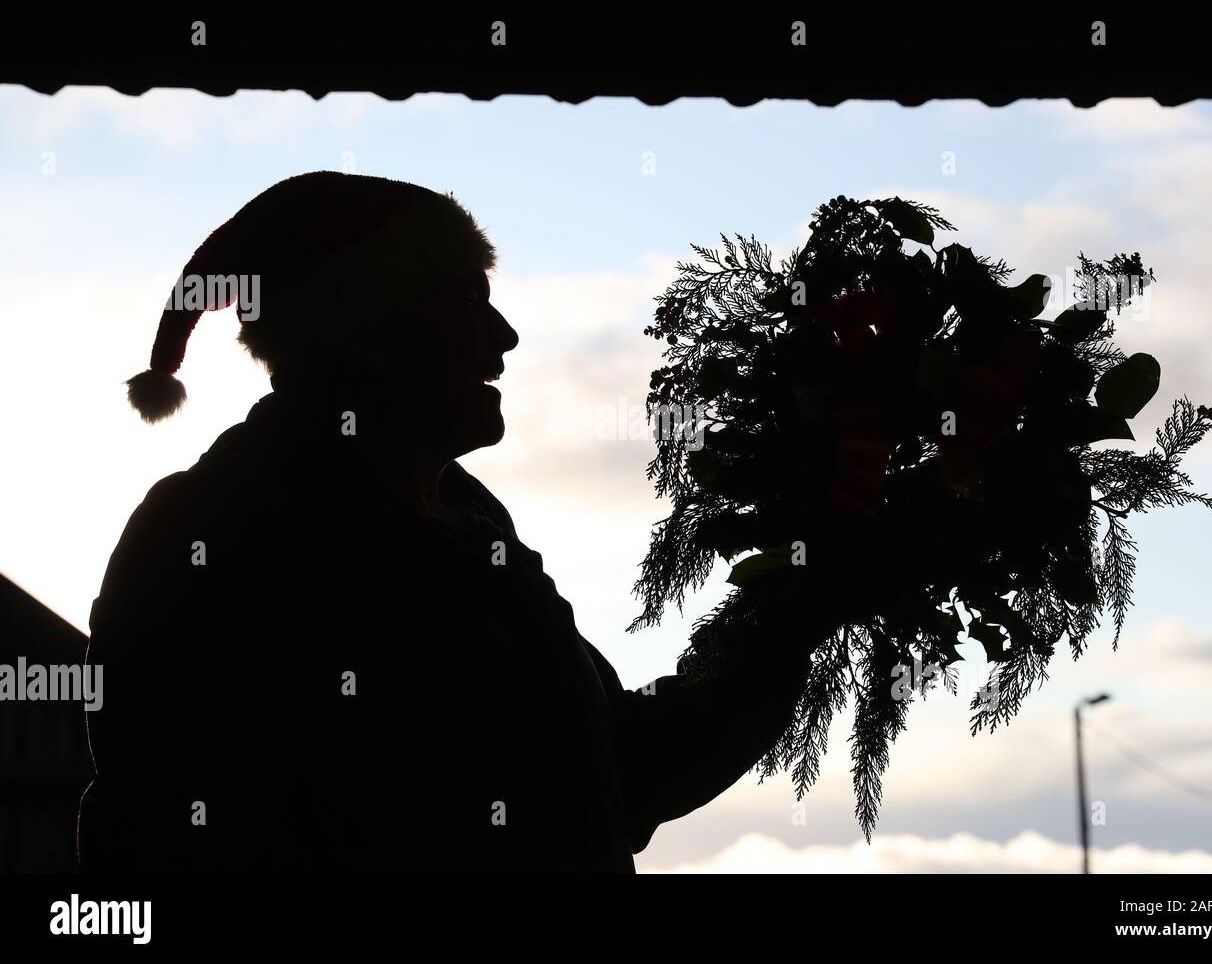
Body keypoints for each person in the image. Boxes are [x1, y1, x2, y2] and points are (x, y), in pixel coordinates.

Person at [78, 171, 824, 873]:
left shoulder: (471, 525)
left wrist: (799, 594)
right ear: (364, 333)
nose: (505, 336)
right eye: (467, 298)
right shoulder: (215, 537)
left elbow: (618, 768)